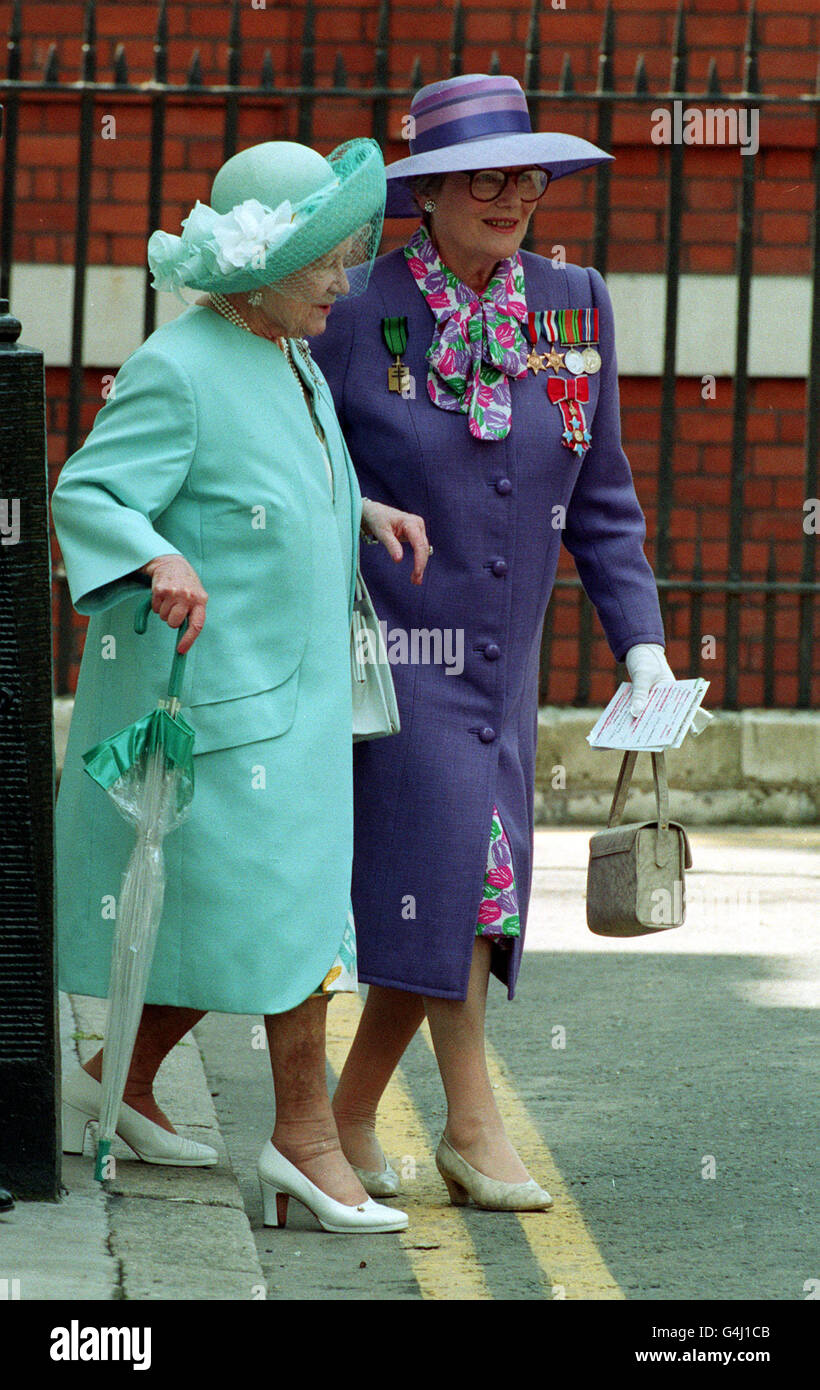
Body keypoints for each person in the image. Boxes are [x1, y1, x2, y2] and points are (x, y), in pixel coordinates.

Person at [310, 75, 677, 1211]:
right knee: (466, 880)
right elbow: (303, 470)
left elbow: (604, 497)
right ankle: (473, 1126)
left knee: (452, 887)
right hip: (393, 655)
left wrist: (644, 646)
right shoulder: (352, 306)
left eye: (528, 174)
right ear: (427, 193)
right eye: (486, 175)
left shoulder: (575, 303)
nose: (513, 194)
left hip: (501, 670)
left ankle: (345, 1117)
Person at [52, 138, 430, 1234]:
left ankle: (112, 1079)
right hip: (225, 709)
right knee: (287, 925)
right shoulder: (182, 363)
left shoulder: (289, 354)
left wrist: (357, 510)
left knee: (240, 919)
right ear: (258, 267)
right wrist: (155, 556)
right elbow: (92, 490)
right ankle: (303, 1143)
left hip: (294, 705)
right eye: (322, 259)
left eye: (346, 254)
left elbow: (265, 477)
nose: (341, 279)